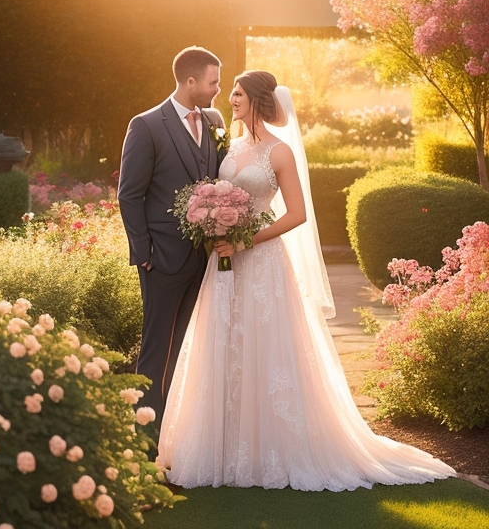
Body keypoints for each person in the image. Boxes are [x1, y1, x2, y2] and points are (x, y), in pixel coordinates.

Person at [157, 70, 456, 491]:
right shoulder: (229, 146)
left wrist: (245, 242)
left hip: (260, 264)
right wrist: (213, 228)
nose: (232, 100)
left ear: (259, 100)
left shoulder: (279, 153)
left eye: (239, 94)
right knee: (223, 344)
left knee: (266, 348)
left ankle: (270, 450)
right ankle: (220, 447)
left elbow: (296, 214)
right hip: (223, 266)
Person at [118, 46, 226, 425]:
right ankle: (144, 429)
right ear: (190, 80)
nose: (218, 88)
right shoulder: (146, 125)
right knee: (156, 346)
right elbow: (129, 194)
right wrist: (142, 250)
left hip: (205, 255)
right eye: (213, 81)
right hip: (162, 256)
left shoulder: (214, 120)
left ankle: (180, 428)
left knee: (189, 344)